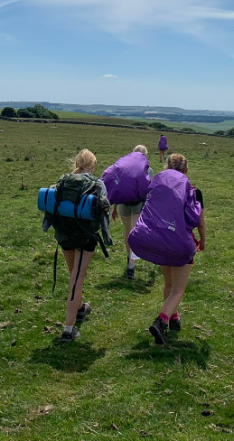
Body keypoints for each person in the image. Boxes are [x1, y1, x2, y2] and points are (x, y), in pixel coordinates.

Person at [127, 154, 204, 345]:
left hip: (158, 240)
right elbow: (199, 221)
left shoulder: (157, 186)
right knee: (178, 290)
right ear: (186, 170)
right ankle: (162, 320)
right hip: (180, 245)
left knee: (168, 282)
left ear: (166, 167)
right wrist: (203, 240)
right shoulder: (192, 191)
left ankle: (174, 318)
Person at [46, 149, 111, 343]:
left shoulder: (62, 180)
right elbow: (105, 209)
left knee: (73, 273)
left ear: (76, 163)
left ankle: (81, 308)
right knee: (77, 279)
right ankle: (68, 329)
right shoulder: (97, 184)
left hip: (64, 235)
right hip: (85, 237)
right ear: (93, 165)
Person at [102, 145, 154, 279]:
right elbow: (149, 190)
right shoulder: (148, 169)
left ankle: (129, 257)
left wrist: (114, 207)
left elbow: (118, 187)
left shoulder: (124, 168)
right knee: (134, 233)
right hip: (138, 203)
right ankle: (131, 265)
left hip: (123, 204)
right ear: (145, 155)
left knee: (127, 232)